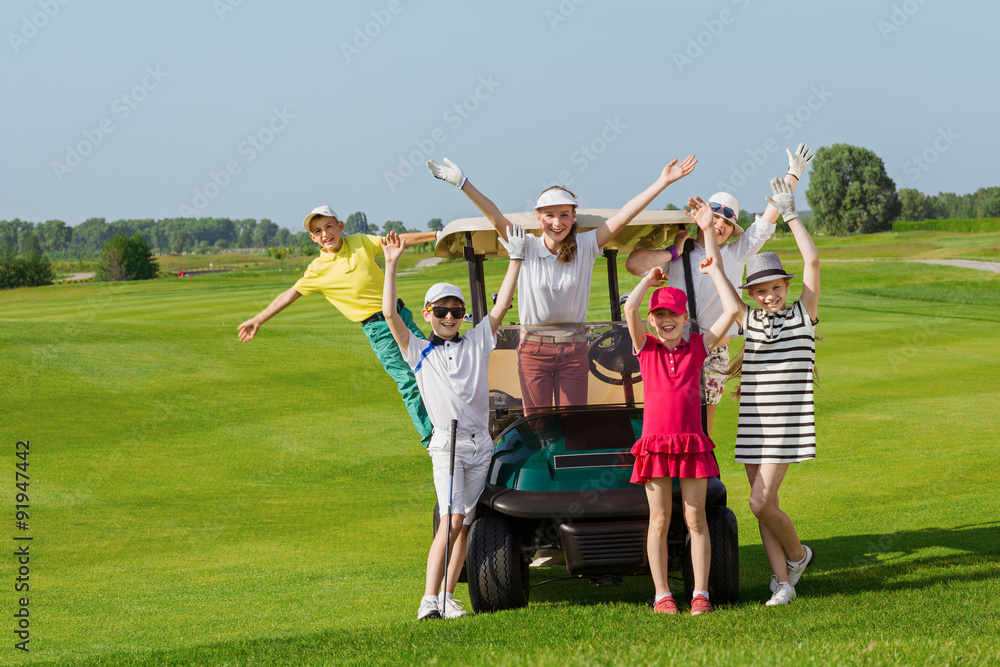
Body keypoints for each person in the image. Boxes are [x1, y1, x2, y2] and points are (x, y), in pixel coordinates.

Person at [427, 155, 697, 411]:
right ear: (539, 218)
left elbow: (625, 216)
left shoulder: (586, 245)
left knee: (573, 423)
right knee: (538, 424)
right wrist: (464, 184)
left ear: (573, 217)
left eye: (564, 215)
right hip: (533, 349)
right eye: (550, 215)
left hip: (574, 349)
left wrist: (664, 181)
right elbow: (496, 217)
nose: (558, 223)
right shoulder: (527, 246)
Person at [381, 226, 524, 621]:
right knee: (452, 518)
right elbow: (391, 314)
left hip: (482, 444)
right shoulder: (419, 349)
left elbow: (501, 307)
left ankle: (446, 597)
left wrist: (515, 259)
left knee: (465, 522)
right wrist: (392, 264)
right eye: (440, 311)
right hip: (448, 444)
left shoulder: (477, 341)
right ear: (428, 314)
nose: (448, 317)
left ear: (463, 315)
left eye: (456, 311)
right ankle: (429, 599)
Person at [625, 144, 813, 435]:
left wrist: (793, 175)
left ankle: (704, 473)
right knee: (669, 414)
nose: (720, 226)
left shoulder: (736, 253)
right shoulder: (679, 250)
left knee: (703, 422)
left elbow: (769, 217)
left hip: (715, 346)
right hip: (674, 344)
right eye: (715, 219)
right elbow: (634, 265)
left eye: (727, 222)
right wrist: (673, 253)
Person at [623, 199, 743, 615]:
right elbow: (629, 309)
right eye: (660, 315)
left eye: (672, 314)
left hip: (692, 444)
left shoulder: (698, 345)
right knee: (659, 520)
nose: (665, 320)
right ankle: (662, 595)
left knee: (695, 519)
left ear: (685, 317)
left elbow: (733, 311)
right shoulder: (646, 349)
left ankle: (701, 594)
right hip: (656, 443)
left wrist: (716, 274)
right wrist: (650, 282)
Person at [237, 205, 437, 446]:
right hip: (379, 330)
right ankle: (432, 439)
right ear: (313, 238)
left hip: (400, 315)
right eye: (318, 231)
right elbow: (290, 294)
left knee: (430, 368)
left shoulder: (361, 241)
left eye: (329, 226)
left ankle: (447, 424)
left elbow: (395, 241)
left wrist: (437, 235)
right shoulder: (317, 270)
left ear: (340, 226)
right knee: (407, 381)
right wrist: (258, 319)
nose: (325, 234)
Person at [729, 177, 819, 606]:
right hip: (753, 424)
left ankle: (799, 556)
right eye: (760, 291)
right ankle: (783, 582)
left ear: (786, 286)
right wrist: (709, 235)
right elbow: (721, 277)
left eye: (775, 288)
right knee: (763, 505)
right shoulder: (749, 321)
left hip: (786, 426)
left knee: (760, 503)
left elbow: (814, 262)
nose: (768, 296)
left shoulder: (804, 314)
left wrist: (790, 212)